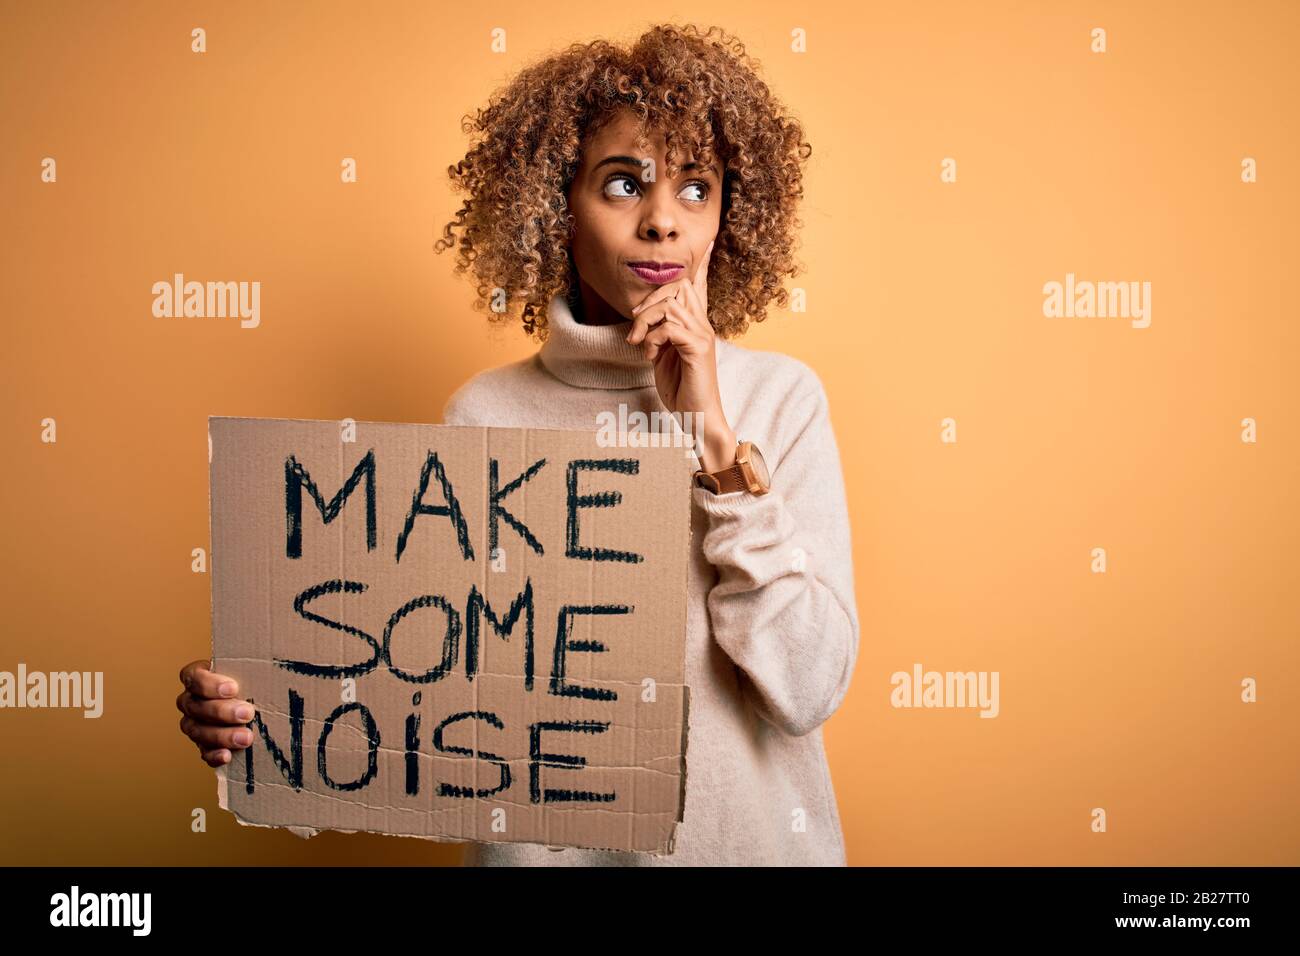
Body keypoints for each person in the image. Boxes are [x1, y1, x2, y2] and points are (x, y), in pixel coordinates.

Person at [177, 22, 859, 866]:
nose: (661, 223)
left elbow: (809, 688)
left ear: (728, 214)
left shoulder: (782, 402)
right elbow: (419, 670)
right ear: (554, 207)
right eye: (622, 185)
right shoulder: (483, 414)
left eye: (695, 189)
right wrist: (270, 701)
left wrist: (715, 441)